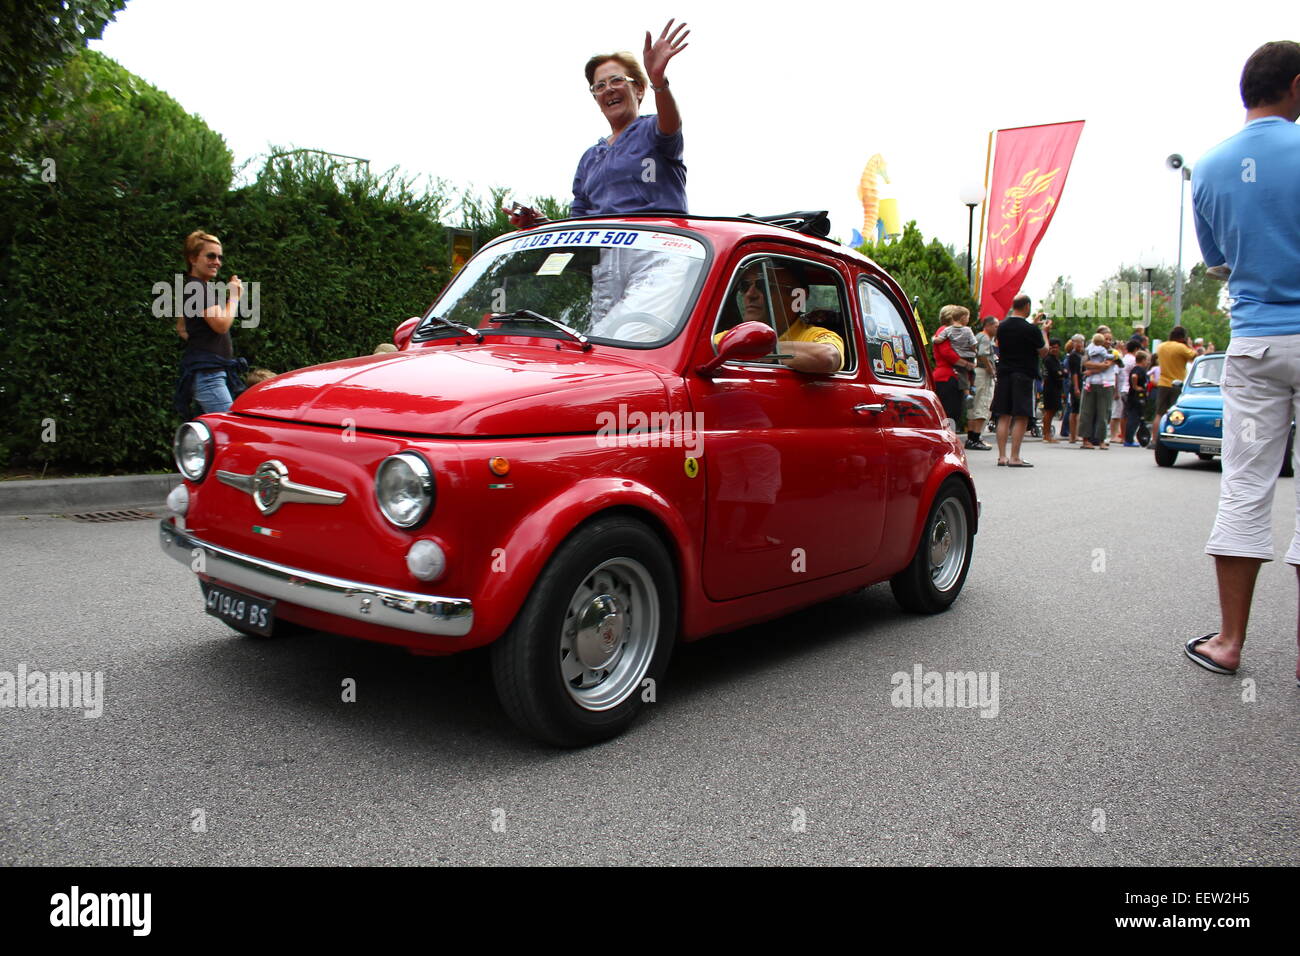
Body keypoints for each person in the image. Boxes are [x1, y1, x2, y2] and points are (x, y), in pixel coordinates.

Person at [1183, 40, 1300, 682]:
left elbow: (1218, 262)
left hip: (1253, 344)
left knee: (1245, 487)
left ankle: (1229, 643)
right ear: (1297, 86)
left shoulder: (1209, 167)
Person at [172, 230, 247, 416]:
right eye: (211, 256)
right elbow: (221, 325)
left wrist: (201, 344)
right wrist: (235, 298)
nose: (217, 262)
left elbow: (181, 328)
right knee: (229, 430)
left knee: (211, 435)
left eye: (220, 257)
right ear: (193, 258)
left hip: (208, 372)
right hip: (209, 376)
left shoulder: (196, 287)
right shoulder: (197, 288)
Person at [991, 294, 1049, 466]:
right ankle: (1015, 456)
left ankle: (1002, 456)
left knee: (1004, 415)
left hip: (1004, 373)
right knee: (1022, 415)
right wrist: (1044, 332)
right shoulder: (1031, 330)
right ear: (1027, 306)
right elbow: (1043, 351)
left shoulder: (1002, 326)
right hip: (1024, 374)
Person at [931, 306, 974, 427]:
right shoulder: (944, 330)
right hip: (947, 377)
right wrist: (966, 364)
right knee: (949, 414)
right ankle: (946, 441)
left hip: (951, 376)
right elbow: (947, 353)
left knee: (952, 414)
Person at [1077, 333, 1115, 449]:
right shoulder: (1089, 349)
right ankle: (1085, 439)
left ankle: (1101, 440)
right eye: (1106, 339)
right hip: (1090, 384)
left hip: (1106, 384)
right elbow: (1084, 363)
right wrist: (1099, 365)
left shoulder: (1113, 353)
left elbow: (1107, 365)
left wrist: (1091, 370)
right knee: (1086, 412)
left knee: (1103, 413)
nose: (1108, 341)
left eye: (1110, 339)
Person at [966, 316, 996, 450]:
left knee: (973, 406)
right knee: (982, 405)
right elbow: (983, 353)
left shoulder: (977, 336)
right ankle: (976, 438)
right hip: (983, 374)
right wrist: (990, 368)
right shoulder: (985, 338)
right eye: (996, 326)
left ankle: (971, 438)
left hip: (975, 373)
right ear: (988, 326)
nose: (997, 329)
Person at [1154, 325, 1196, 419]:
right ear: (1182, 337)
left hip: (1162, 383)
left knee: (1159, 414)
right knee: (1175, 414)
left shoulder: (1161, 346)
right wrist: (1189, 345)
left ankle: (1156, 434)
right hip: (1177, 384)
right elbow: (1194, 356)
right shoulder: (1181, 348)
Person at [1123, 349, 1150, 446]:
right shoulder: (1139, 369)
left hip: (1135, 396)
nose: (1148, 362)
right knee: (1133, 418)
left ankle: (1129, 439)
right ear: (1142, 360)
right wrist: (1136, 386)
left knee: (1135, 418)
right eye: (1147, 360)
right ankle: (1129, 440)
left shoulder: (1137, 369)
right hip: (1136, 397)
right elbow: (1134, 376)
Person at [1041, 338, 1064, 442]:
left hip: (1056, 387)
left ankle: (1047, 434)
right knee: (1049, 411)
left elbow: (1061, 372)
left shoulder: (1056, 359)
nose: (1054, 349)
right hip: (1050, 387)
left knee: (1052, 410)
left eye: (1056, 347)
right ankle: (1046, 435)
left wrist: (1062, 372)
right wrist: (1062, 372)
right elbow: (1057, 373)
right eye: (1052, 347)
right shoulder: (1049, 359)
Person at [1065, 333, 1085, 442]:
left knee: (1077, 410)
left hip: (1081, 382)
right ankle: (1073, 435)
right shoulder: (1073, 356)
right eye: (1077, 342)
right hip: (1076, 384)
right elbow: (1074, 373)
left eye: (1081, 342)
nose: (1080, 344)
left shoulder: (1080, 355)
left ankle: (1075, 434)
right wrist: (1076, 387)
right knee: (1075, 410)